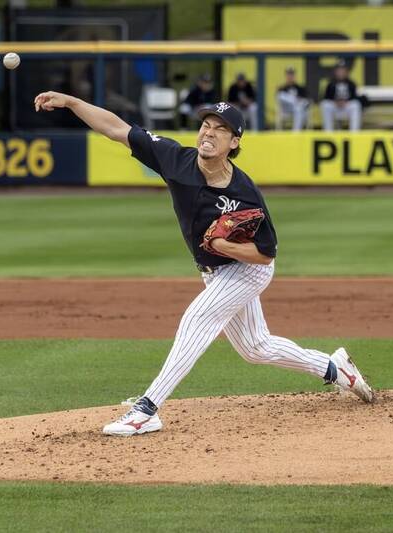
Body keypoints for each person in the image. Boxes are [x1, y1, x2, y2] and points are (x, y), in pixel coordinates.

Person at [33, 91, 375, 437]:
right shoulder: (175, 159)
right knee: (256, 347)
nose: (208, 133)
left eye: (220, 129)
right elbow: (117, 129)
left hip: (248, 270)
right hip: (214, 272)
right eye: (206, 125)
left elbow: (266, 253)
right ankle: (335, 368)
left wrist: (224, 245)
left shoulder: (244, 194)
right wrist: (73, 103)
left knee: (198, 317)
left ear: (234, 142)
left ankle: (147, 409)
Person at [320, 60, 362, 131]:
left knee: (355, 105)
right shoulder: (331, 84)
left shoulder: (351, 84)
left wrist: (346, 102)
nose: (341, 72)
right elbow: (325, 97)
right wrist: (335, 102)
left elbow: (355, 97)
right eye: (339, 70)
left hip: (347, 108)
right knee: (325, 104)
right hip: (335, 108)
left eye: (343, 70)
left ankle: (354, 132)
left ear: (346, 72)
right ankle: (328, 131)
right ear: (335, 72)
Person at [276, 67, 309, 131]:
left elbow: (307, 101)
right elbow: (280, 100)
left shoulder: (300, 88)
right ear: (286, 76)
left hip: (298, 110)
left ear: (294, 76)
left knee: (298, 108)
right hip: (286, 110)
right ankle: (294, 100)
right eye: (288, 74)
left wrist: (300, 100)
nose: (290, 76)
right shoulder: (282, 88)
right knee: (280, 95)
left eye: (292, 75)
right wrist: (294, 99)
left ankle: (296, 133)